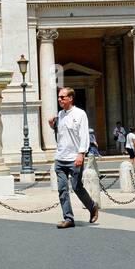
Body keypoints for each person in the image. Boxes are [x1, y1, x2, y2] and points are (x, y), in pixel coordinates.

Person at [47, 87, 98, 229]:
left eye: (62, 97)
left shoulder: (80, 114)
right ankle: (68, 218)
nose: (59, 99)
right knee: (62, 189)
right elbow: (62, 133)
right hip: (61, 158)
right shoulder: (60, 114)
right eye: (59, 97)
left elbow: (84, 136)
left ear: (70, 98)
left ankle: (92, 206)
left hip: (74, 157)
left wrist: (81, 154)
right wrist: (52, 125)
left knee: (76, 186)